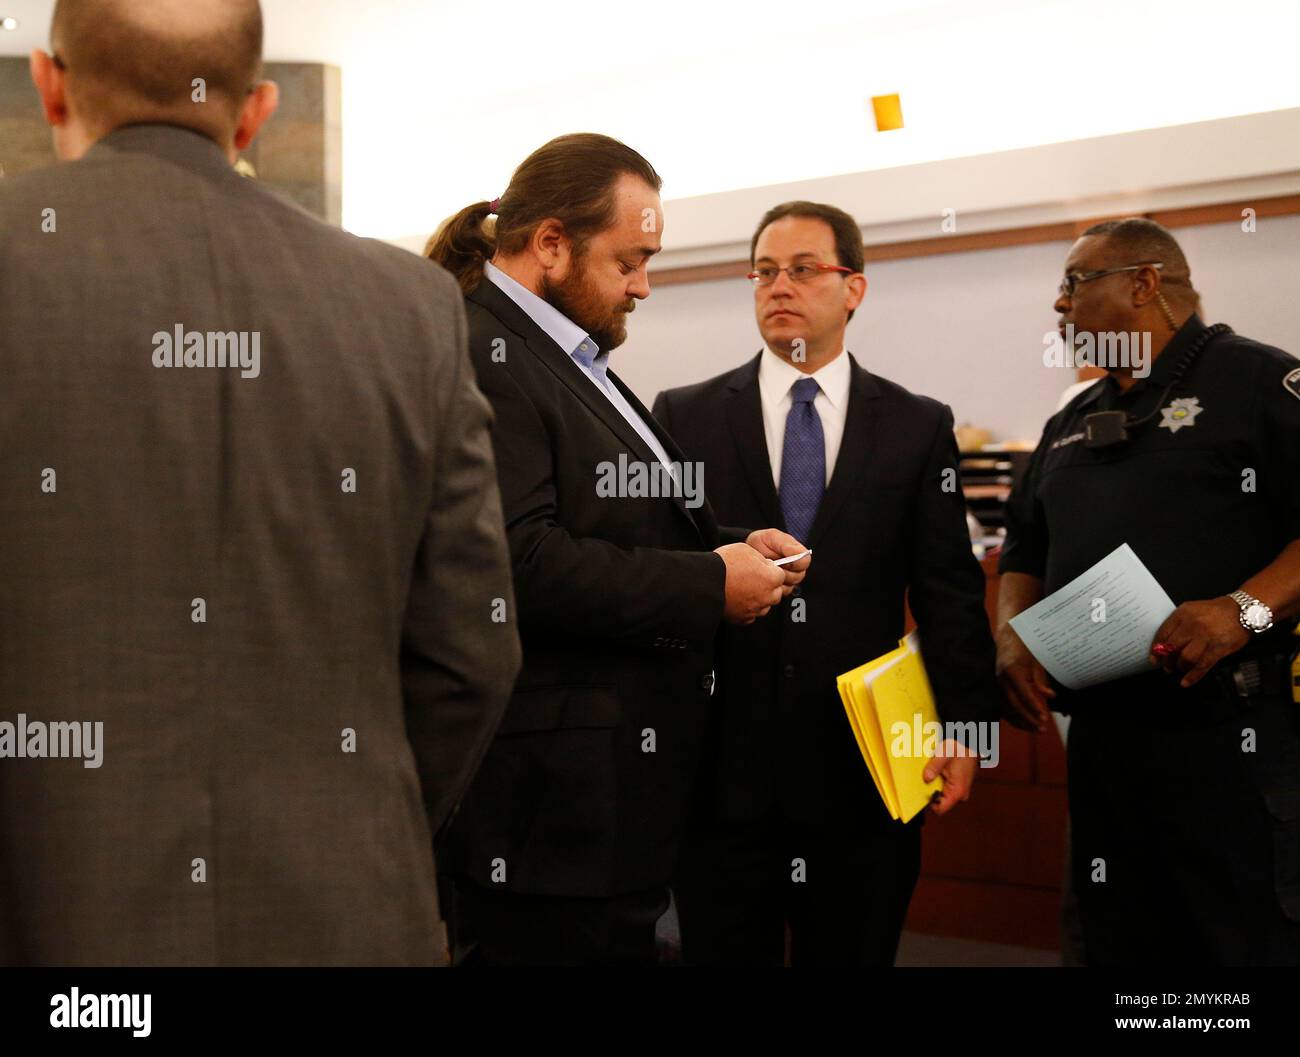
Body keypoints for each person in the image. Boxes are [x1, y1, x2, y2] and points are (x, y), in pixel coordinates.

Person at [0, 0, 520, 965]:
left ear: (49, 84)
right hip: (345, 913)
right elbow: (472, 654)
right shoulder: (409, 306)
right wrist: (349, 811)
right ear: (255, 112)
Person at [426, 135, 810, 966]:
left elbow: (617, 524)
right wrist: (709, 583)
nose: (644, 284)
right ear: (552, 244)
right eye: (630, 260)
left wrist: (730, 545)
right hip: (548, 811)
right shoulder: (485, 350)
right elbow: (516, 563)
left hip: (607, 798)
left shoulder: (570, 354)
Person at [653, 201, 1000, 966]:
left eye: (804, 268)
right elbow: (663, 575)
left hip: (864, 771)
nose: (780, 285)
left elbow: (948, 590)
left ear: (855, 288)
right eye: (765, 271)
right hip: (721, 775)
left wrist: (969, 729)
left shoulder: (916, 424)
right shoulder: (685, 415)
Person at [997, 217, 1300, 965]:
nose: (1059, 307)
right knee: (1114, 939)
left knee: (1234, 946)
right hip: (1104, 740)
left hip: (1228, 734)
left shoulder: (1258, 380)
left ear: (1144, 282)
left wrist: (1244, 608)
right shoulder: (1071, 419)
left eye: (1074, 284)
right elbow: (1023, 548)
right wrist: (1012, 634)